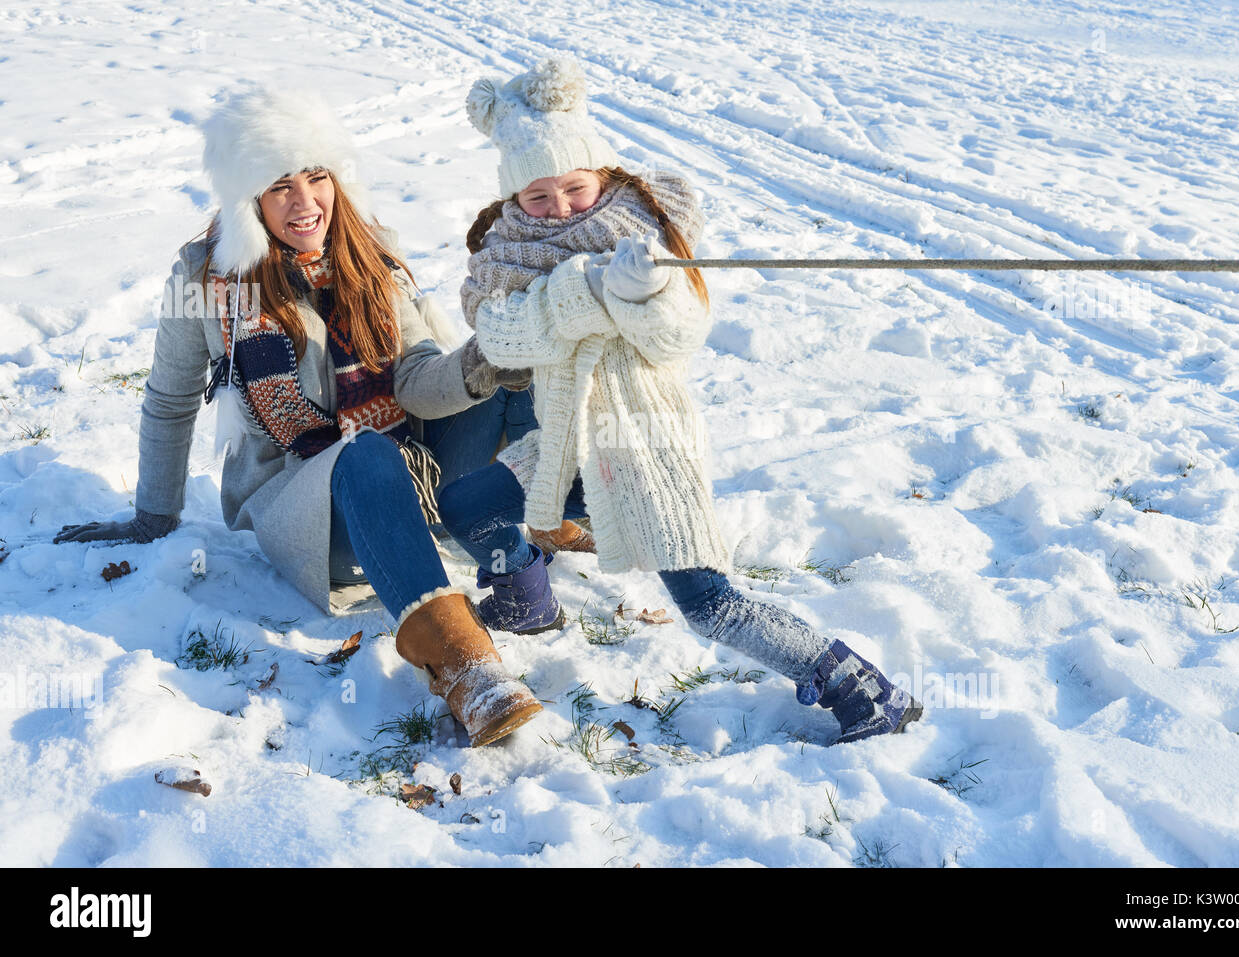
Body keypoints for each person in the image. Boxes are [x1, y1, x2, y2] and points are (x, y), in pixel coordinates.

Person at [437, 59, 922, 742]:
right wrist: (579, 286)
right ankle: (525, 597)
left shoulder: (646, 239)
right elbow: (503, 333)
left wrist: (645, 292)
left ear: (601, 175)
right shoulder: (510, 255)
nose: (560, 208)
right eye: (537, 197)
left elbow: (677, 335)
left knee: (711, 608)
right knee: (465, 505)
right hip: (565, 451)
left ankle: (860, 686)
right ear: (514, 199)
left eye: (574, 188)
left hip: (644, 453)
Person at [52, 86, 543, 747]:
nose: (306, 202)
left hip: (418, 470)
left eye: (317, 177)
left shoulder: (372, 252)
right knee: (365, 451)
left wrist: (487, 362)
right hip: (312, 506)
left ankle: (539, 527)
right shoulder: (204, 279)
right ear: (247, 198)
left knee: (520, 375)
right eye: (280, 184)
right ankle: (464, 664)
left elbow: (422, 379)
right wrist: (152, 515)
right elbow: (169, 402)